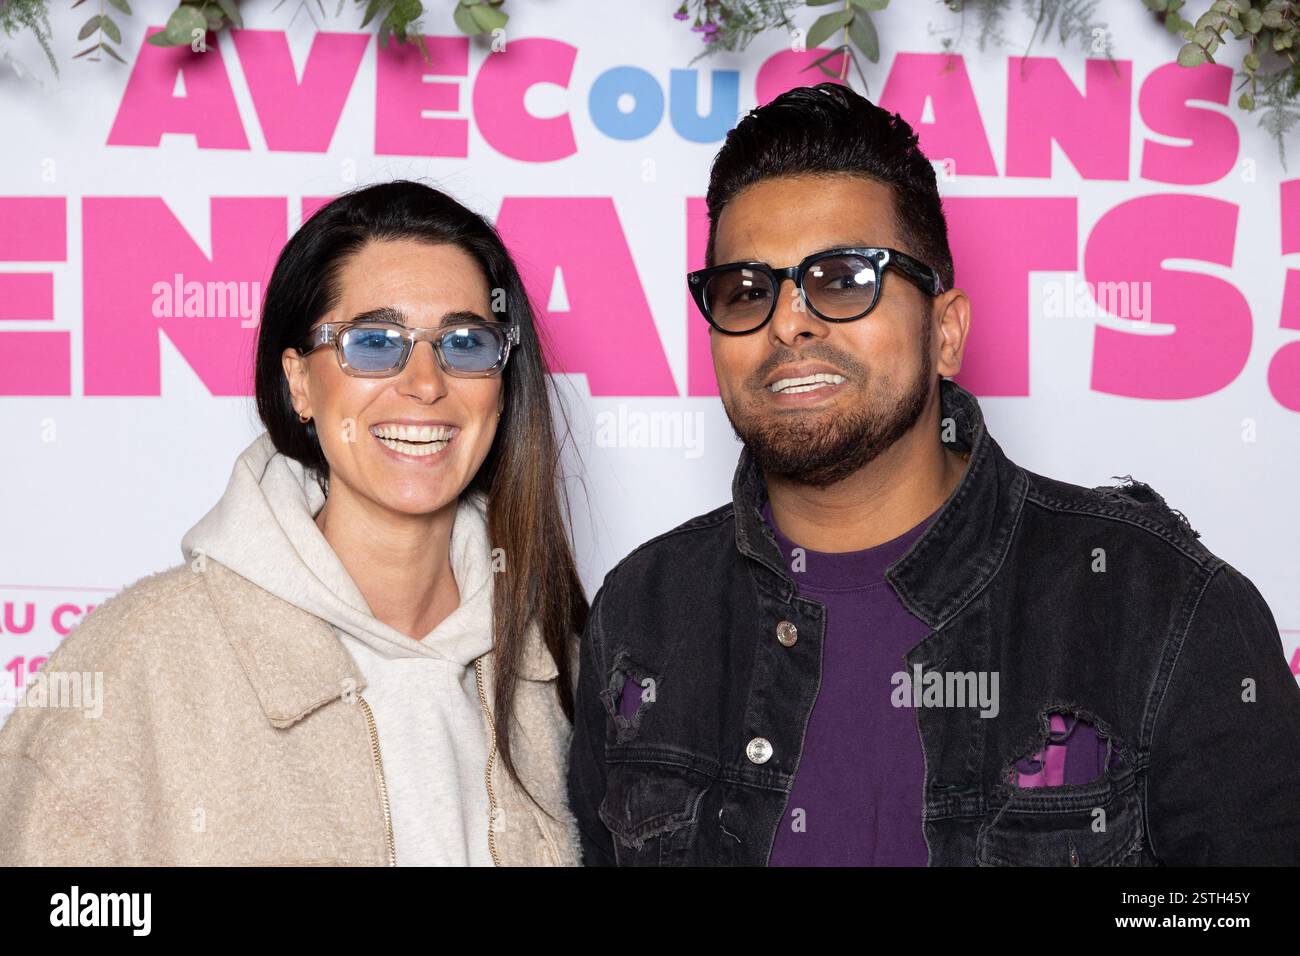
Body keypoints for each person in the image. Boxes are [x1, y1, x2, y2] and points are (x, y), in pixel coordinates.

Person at [567, 83, 1300, 866]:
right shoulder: (642, 613)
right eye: (746, 291)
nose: (788, 322)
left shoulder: (1157, 606)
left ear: (945, 332)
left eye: (844, 278)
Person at [0, 180, 588, 866]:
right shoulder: (142, 658)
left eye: (463, 342)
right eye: (374, 342)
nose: (426, 382)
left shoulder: (563, 656)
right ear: (299, 383)